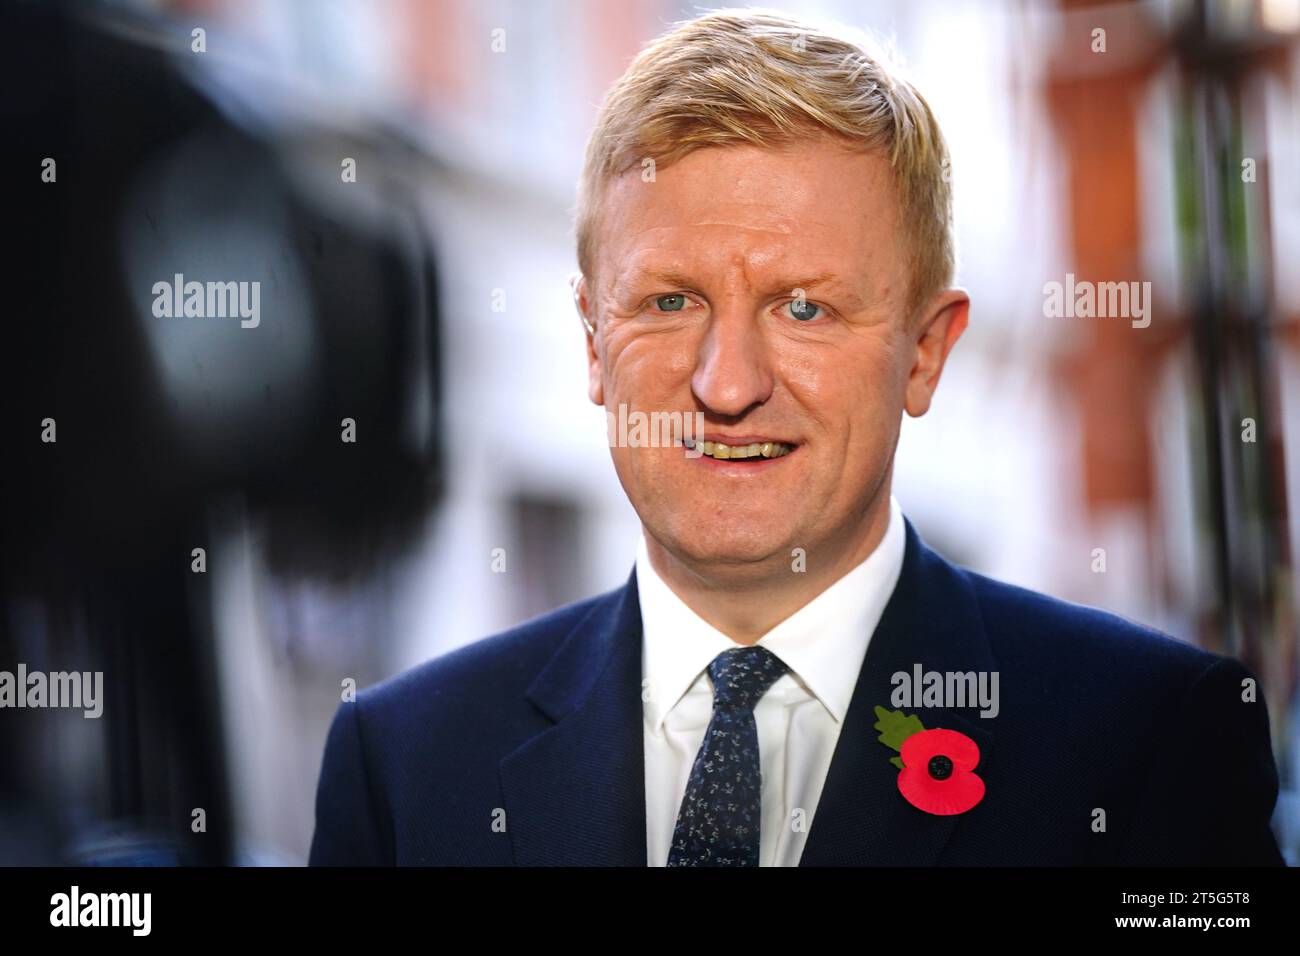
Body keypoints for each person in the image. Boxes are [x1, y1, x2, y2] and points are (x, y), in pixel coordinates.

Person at [309, 8, 1284, 866]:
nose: (726, 383)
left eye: (806, 307)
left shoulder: (1152, 744)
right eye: (668, 300)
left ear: (924, 353)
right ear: (594, 345)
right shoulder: (401, 768)